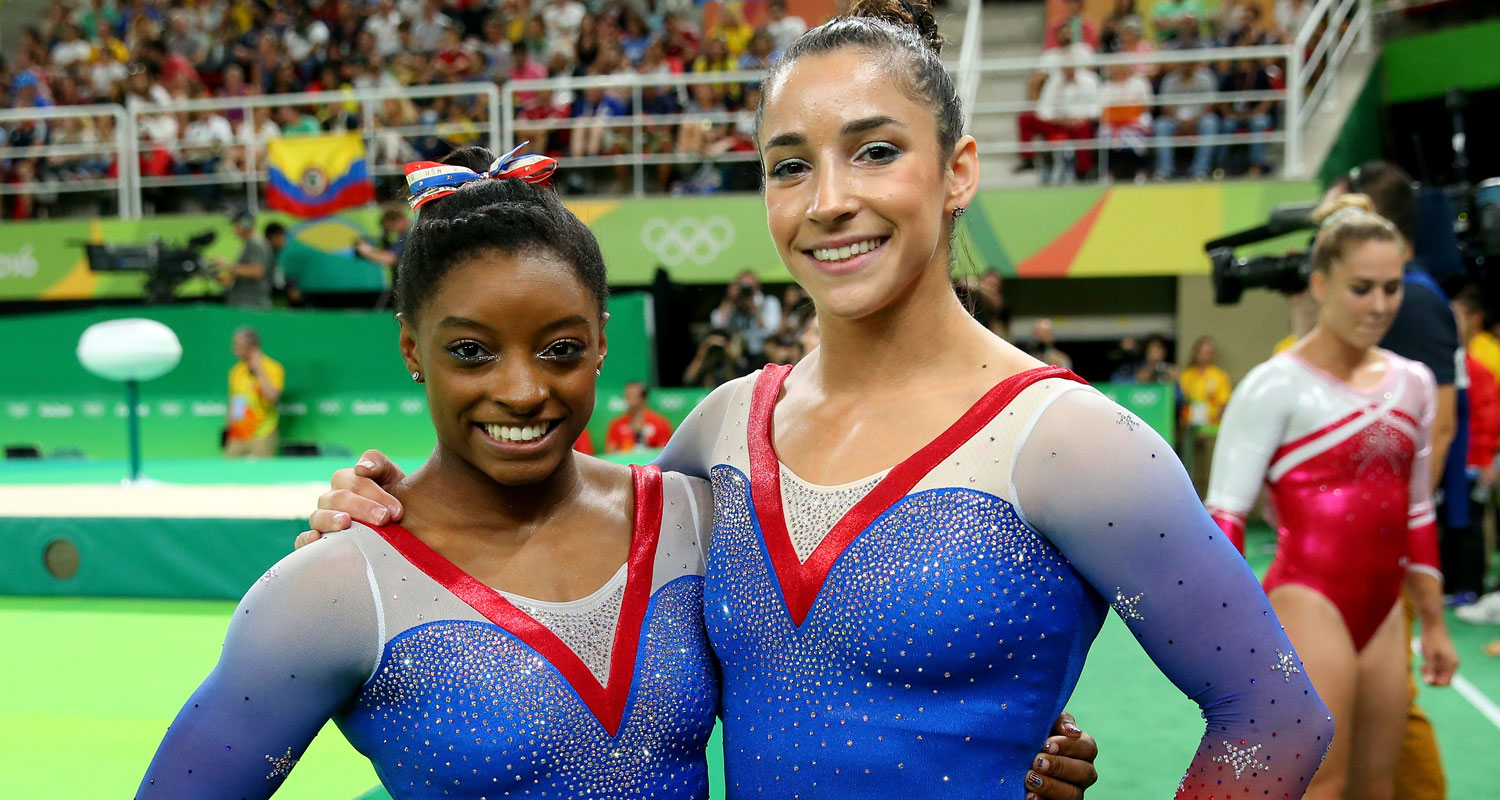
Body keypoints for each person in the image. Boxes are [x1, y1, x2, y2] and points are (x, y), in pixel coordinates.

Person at [305, 2, 1331, 796]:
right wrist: (383, 518)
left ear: (958, 169)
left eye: (876, 150)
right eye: (790, 166)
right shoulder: (718, 428)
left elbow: (1275, 713)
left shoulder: (1073, 443)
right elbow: (551, 541)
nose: (829, 198)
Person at [141, 148, 727, 798]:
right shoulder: (333, 589)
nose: (523, 391)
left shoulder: (694, 521)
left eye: (560, 348)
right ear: (411, 348)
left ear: (602, 341)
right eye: (471, 352)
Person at [1205, 196, 1458, 800]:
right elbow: (1223, 519)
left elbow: (1416, 509)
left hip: (1383, 613)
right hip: (1307, 601)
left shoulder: (1413, 382)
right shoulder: (1274, 386)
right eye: (1361, 288)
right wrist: (1222, 641)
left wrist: (1435, 622)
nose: (1379, 306)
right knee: (1322, 785)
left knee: (1377, 786)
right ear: (1319, 284)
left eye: (1392, 288)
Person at [1447, 284, 1495, 605]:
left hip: (1474, 465)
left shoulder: (1478, 370)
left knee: (1472, 527)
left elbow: (1489, 420)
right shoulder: (1445, 368)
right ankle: (1453, 584)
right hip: (1452, 464)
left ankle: (1472, 588)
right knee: (1451, 526)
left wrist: (1485, 461)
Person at [1178, 335, 1231, 493]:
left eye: (1208, 352)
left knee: (1210, 470)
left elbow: (1223, 402)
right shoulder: (1187, 376)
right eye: (1202, 352)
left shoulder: (1220, 376)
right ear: (1195, 353)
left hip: (1211, 430)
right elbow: (1182, 401)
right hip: (1190, 430)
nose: (1204, 356)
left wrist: (1209, 422)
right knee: (1191, 470)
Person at [224, 326, 285, 458]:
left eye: (239, 345)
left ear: (252, 347)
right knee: (230, 473)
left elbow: (272, 397)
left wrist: (259, 370)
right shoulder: (235, 372)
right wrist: (229, 430)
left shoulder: (273, 368)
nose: (235, 350)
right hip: (238, 435)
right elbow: (234, 403)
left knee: (262, 476)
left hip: (262, 433)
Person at [1153, 61, 1220, 180]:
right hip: (1174, 119)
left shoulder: (1206, 78)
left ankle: (1200, 170)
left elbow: (1210, 105)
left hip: (1199, 118)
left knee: (1211, 122)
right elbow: (1165, 107)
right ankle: (1164, 170)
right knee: (1160, 125)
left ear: (1195, 64)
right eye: (1184, 64)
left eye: (1190, 64)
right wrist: (1178, 121)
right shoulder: (1169, 80)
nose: (1186, 67)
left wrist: (1195, 120)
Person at [709, 270, 782, 364]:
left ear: (758, 286)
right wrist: (729, 299)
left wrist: (755, 309)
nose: (746, 290)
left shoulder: (768, 302)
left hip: (763, 354)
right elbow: (718, 324)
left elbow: (772, 329)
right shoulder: (734, 305)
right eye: (742, 286)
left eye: (750, 286)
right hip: (738, 356)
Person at [217, 210, 278, 309]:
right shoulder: (250, 243)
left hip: (252, 305)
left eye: (237, 224)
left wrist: (227, 266)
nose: (234, 228)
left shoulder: (256, 243)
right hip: (246, 303)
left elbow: (257, 271)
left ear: (247, 223)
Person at [605, 380, 674, 453]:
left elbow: (664, 452)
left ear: (644, 399)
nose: (627, 399)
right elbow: (610, 453)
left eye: (632, 395)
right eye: (626, 395)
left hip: (650, 463)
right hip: (624, 463)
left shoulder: (660, 423)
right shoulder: (616, 424)